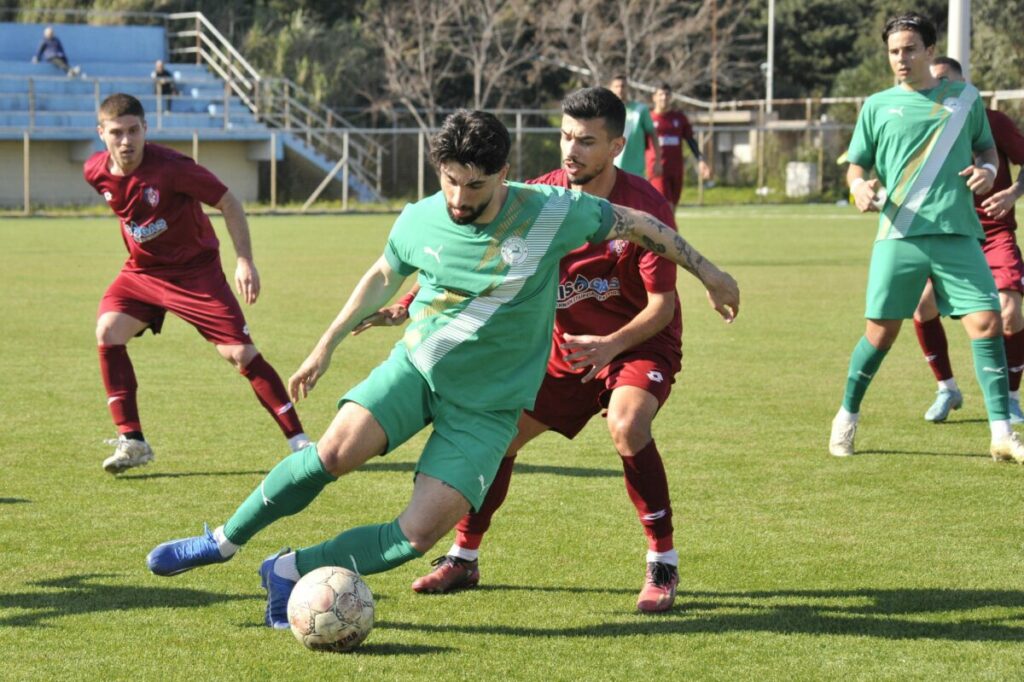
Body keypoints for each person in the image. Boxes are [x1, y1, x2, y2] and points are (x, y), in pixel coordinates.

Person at [145, 109, 740, 631]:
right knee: (331, 455)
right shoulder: (420, 217)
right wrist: (326, 343)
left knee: (415, 536)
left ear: (504, 173)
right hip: (416, 370)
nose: (458, 197)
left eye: (474, 185)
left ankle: (286, 570)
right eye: (449, 180)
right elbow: (384, 273)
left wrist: (710, 273)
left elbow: (641, 224)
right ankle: (221, 540)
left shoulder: (554, 212)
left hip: (488, 409)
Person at [393, 87, 685, 612]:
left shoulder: (645, 207)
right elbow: (473, 254)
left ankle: (662, 562)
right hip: (565, 348)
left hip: (636, 342)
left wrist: (610, 345)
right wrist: (409, 299)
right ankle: (464, 556)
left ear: (617, 146)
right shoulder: (540, 198)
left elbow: (662, 306)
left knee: (627, 425)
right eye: (566, 137)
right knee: (501, 439)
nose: (572, 150)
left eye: (587, 141)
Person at [829, 13, 1024, 464]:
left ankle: (1001, 432)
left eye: (910, 49)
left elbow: (987, 147)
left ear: (930, 50)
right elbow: (857, 166)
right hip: (900, 235)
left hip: (958, 232)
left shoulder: (965, 99)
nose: (901, 58)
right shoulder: (877, 105)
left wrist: (988, 169)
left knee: (988, 323)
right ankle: (847, 415)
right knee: (880, 334)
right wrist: (858, 187)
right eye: (894, 51)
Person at [84, 93, 309, 474]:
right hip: (143, 273)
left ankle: (300, 443)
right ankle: (132, 441)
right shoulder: (94, 171)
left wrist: (244, 260)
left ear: (146, 129)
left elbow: (229, 203)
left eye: (134, 131)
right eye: (117, 132)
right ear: (101, 133)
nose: (126, 140)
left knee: (240, 354)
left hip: (195, 273)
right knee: (108, 331)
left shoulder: (173, 168)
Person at [911, 57, 1024, 424]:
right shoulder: (923, 124)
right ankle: (946, 388)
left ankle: (1010, 398)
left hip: (994, 234)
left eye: (947, 80)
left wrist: (1012, 193)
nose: (941, 89)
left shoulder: (993, 121)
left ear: (965, 84)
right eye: (934, 82)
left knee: (1009, 312)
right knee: (921, 306)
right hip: (947, 234)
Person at [647, 83, 712, 208]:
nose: (664, 97)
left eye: (667, 94)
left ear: (670, 97)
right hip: (658, 170)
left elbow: (690, 140)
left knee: (672, 207)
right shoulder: (648, 119)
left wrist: (700, 160)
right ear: (654, 97)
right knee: (665, 206)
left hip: (676, 169)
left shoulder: (679, 118)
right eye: (660, 94)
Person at [608, 76, 661, 179]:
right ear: (611, 88)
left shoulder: (640, 110)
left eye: (623, 86)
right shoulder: (606, 112)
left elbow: (653, 133)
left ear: (628, 88)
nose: (620, 89)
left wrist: (658, 160)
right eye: (617, 86)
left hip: (635, 171)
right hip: (611, 169)